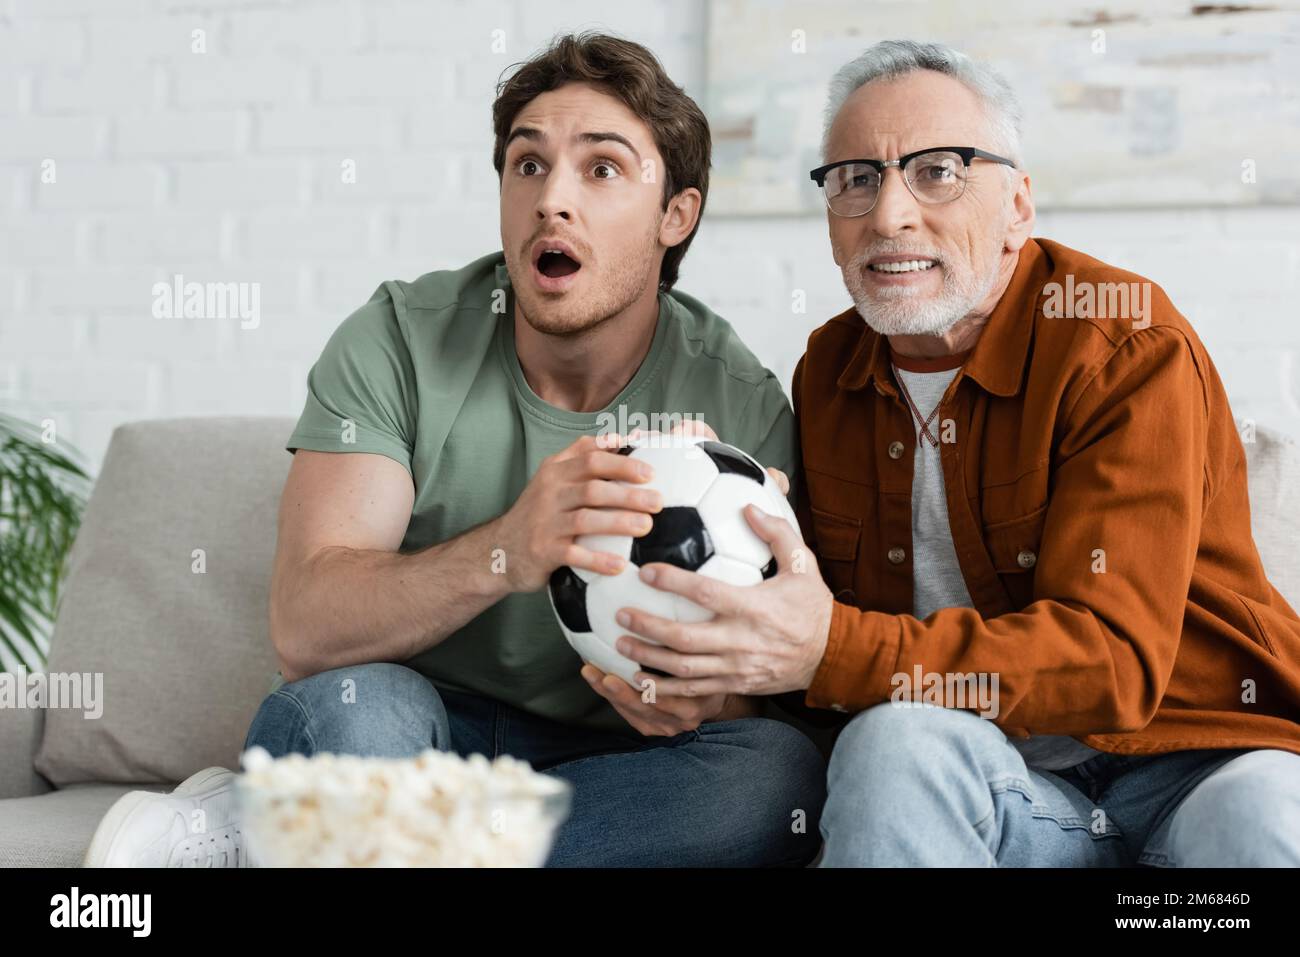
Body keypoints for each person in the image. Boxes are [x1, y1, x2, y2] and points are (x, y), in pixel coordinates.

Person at [82, 32, 825, 869]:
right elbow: (305, 627)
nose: (552, 200)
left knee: (777, 776)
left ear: (675, 215)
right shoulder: (396, 339)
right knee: (356, 712)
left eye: (603, 168)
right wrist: (512, 546)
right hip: (412, 731)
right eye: (527, 165)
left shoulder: (737, 402)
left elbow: (751, 692)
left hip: (612, 764)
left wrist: (696, 695)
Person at [605, 39, 1300, 867]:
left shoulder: (1124, 344)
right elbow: (829, 651)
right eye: (857, 179)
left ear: (1017, 206)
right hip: (1007, 789)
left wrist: (830, 648)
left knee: (1261, 819)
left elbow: (1110, 664)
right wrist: (718, 685)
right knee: (891, 746)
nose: (890, 213)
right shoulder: (830, 371)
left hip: (1195, 764)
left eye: (939, 170)